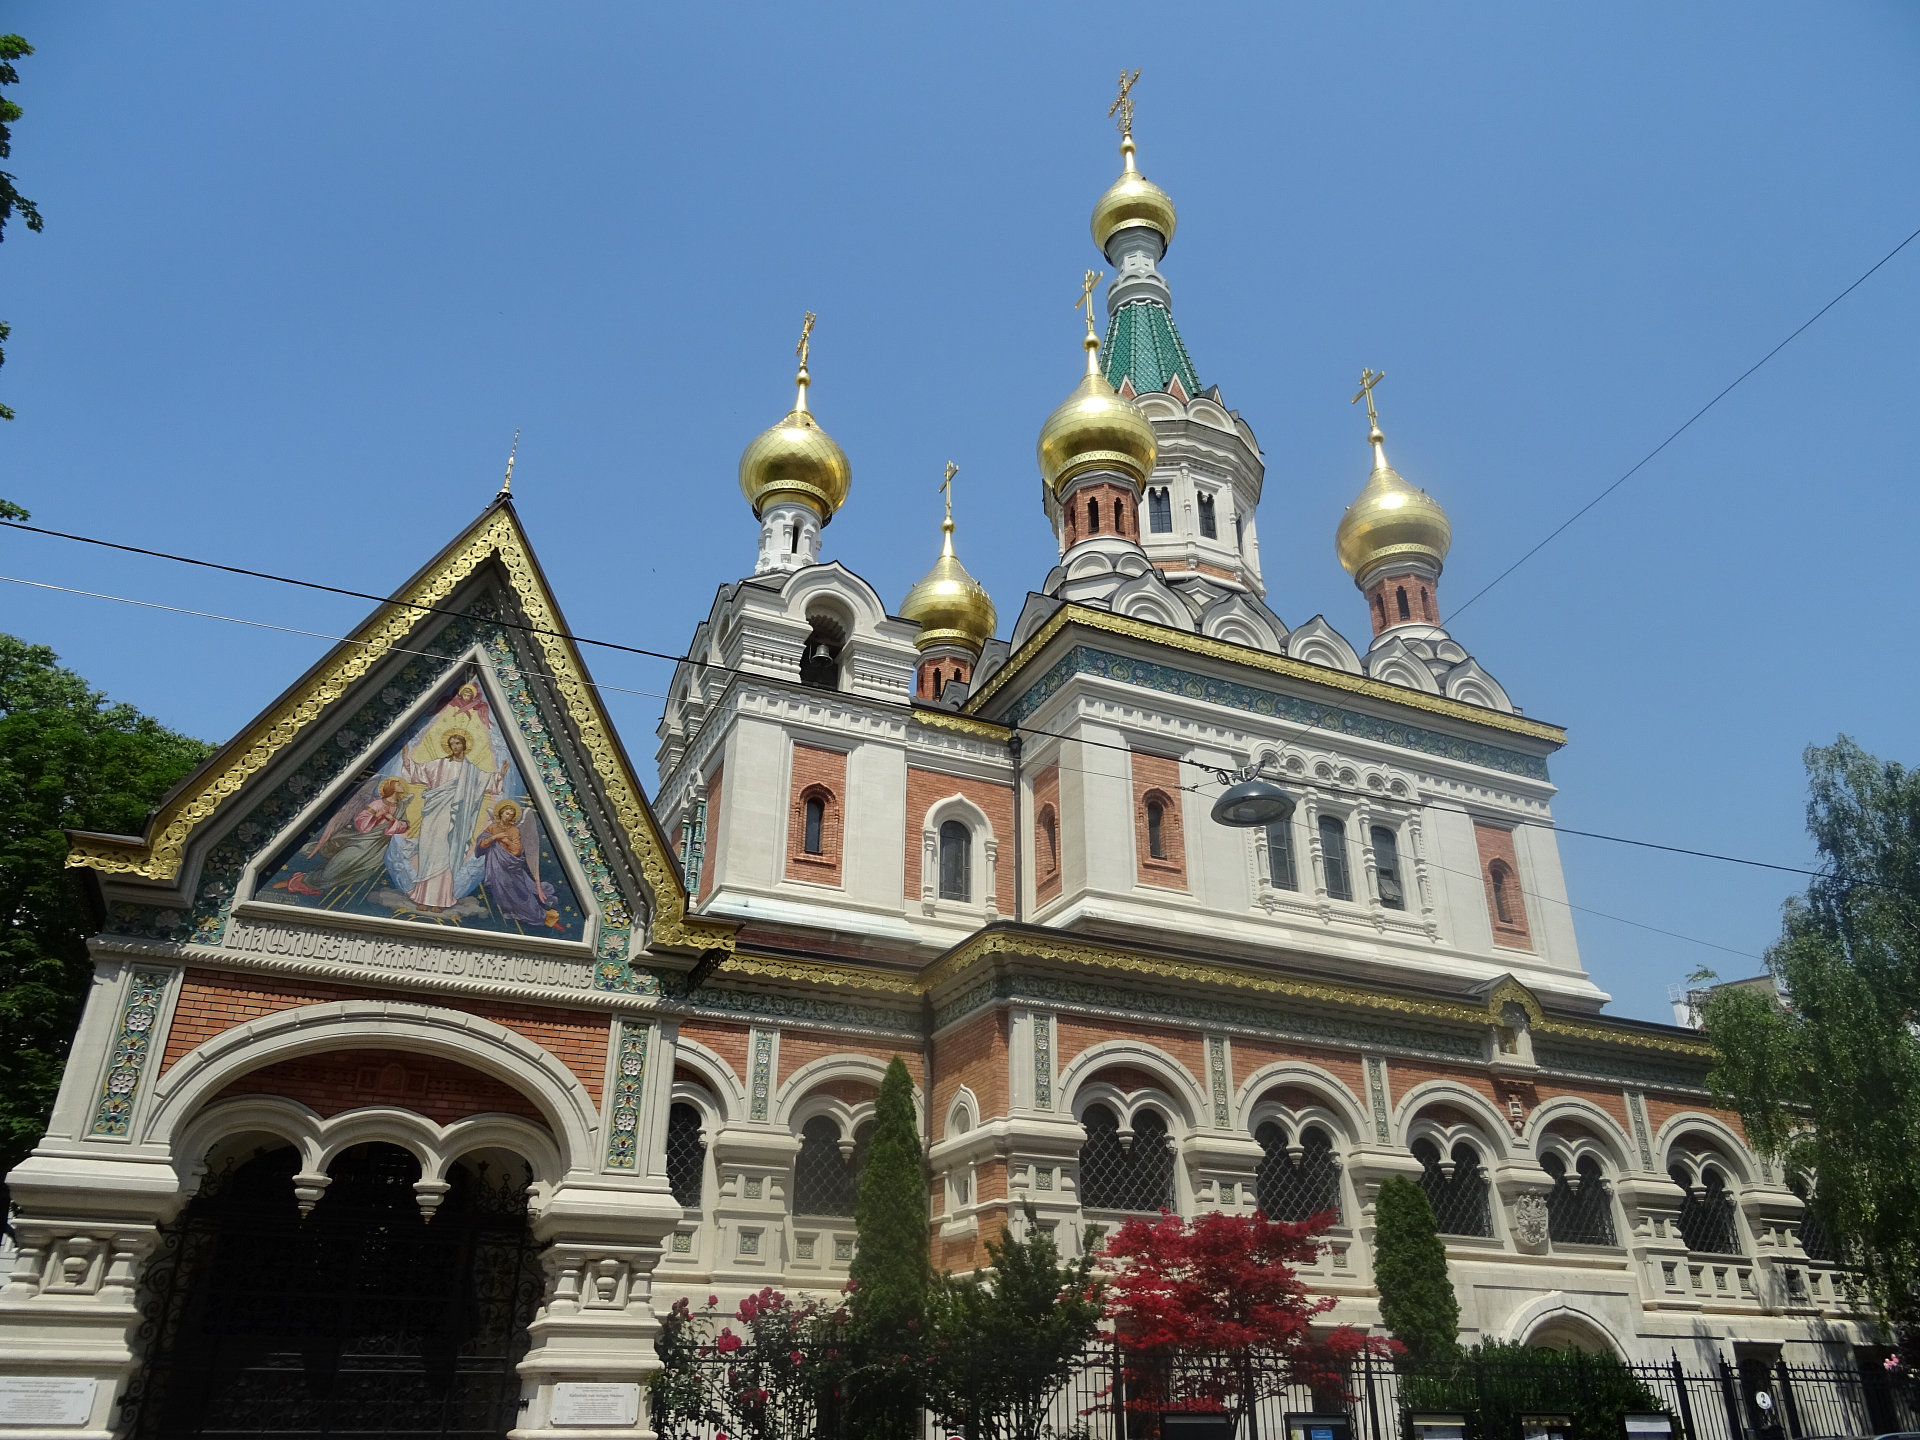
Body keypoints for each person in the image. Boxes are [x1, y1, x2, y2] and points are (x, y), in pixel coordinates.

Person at [396, 728, 503, 909]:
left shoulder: (471, 770)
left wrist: (499, 776)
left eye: (458, 743)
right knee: (428, 850)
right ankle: (422, 896)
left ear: (464, 745)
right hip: (433, 814)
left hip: (455, 819)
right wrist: (407, 760)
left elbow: (486, 782)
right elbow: (417, 772)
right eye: (452, 743)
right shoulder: (437, 764)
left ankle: (440, 900)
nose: (454, 746)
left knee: (446, 853)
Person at [474, 799, 561, 928]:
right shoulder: (492, 827)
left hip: (511, 866)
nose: (508, 816)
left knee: (519, 892)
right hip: (495, 865)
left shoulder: (514, 830)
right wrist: (494, 837)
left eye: (511, 815)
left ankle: (540, 915)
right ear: (501, 813)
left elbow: (517, 851)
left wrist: (507, 841)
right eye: (506, 813)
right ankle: (511, 912)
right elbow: (481, 845)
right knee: (499, 890)